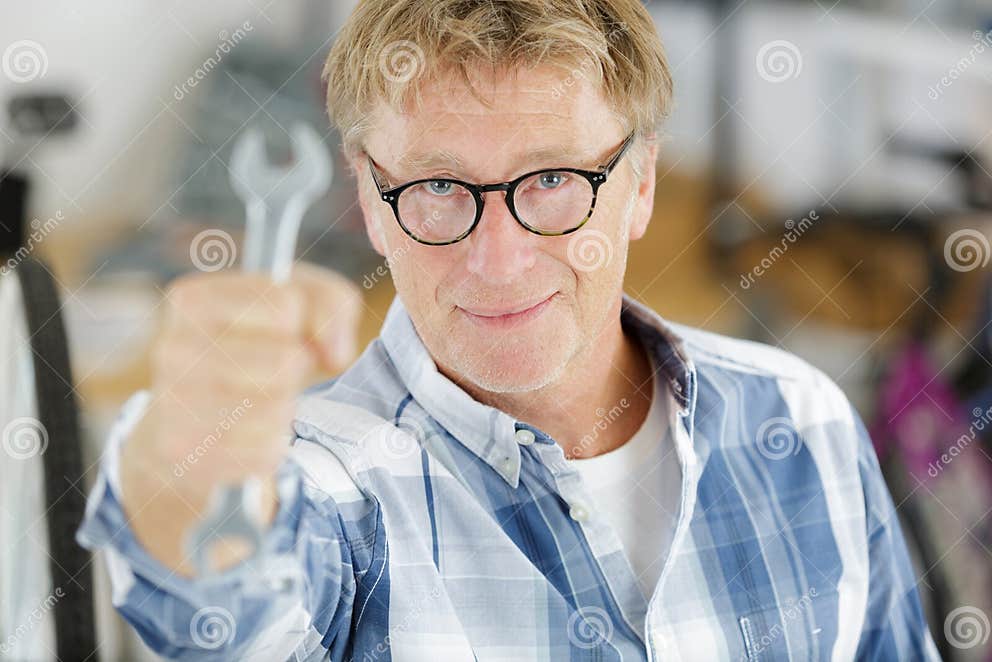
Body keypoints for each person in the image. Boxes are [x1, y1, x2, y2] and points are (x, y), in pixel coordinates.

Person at [77, 0, 942, 659]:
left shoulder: (804, 420)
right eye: (438, 187)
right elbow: (222, 607)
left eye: (554, 180)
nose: (498, 259)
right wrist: (182, 464)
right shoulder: (335, 487)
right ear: (369, 201)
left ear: (641, 183)